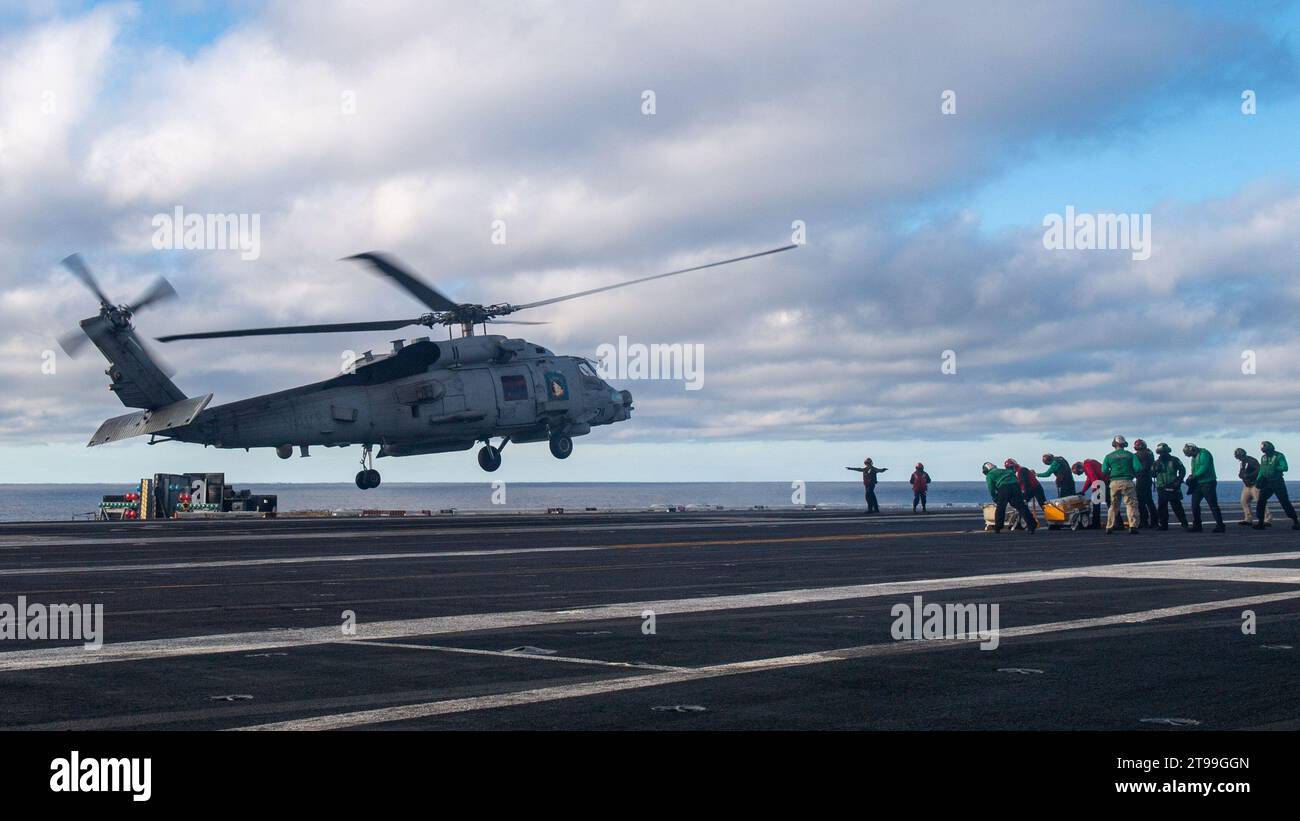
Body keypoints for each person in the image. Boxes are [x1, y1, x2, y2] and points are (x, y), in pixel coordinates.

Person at [1254, 441, 1300, 530]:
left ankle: (1296, 521)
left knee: (1284, 502)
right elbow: (1261, 470)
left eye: (1266, 451)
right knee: (1261, 501)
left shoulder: (1279, 456)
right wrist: (1258, 480)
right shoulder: (1263, 458)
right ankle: (1260, 522)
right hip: (1266, 483)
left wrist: (1274, 468)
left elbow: (1285, 467)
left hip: (1278, 482)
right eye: (1264, 451)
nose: (1266, 453)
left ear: (1271, 449)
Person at [1101, 435, 1141, 535]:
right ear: (1124, 444)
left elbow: (1104, 470)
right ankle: (1132, 526)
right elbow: (1138, 468)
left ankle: (1109, 527)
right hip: (1127, 482)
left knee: (1113, 505)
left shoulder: (1108, 456)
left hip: (1114, 483)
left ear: (1114, 444)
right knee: (1131, 505)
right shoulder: (1131, 455)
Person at [983, 461, 1036, 533]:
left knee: (1000, 507)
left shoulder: (990, 475)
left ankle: (998, 527)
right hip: (1015, 486)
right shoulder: (1006, 470)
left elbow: (991, 488)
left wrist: (995, 497)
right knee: (1021, 506)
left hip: (1004, 487)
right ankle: (1032, 524)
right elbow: (1015, 478)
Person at [1182, 443, 1225, 532]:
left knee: (1212, 504)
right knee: (1194, 504)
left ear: (1192, 450)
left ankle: (1220, 525)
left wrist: (1194, 476)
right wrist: (1192, 476)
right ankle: (1197, 525)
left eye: (1190, 454)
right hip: (1198, 483)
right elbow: (1194, 469)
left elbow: (1204, 467)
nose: (1190, 456)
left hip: (1208, 482)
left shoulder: (1205, 454)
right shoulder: (1194, 457)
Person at [1152, 442, 1189, 530]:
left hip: (1173, 485)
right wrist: (1155, 471)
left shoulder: (1175, 460)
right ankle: (1163, 525)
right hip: (1161, 487)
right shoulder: (1156, 463)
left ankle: (1184, 523)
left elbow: (1182, 470)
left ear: (1167, 451)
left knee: (1177, 506)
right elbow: (1152, 474)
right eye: (1161, 452)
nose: (1163, 454)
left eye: (1164, 452)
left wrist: (1178, 480)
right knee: (1162, 507)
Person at [1234, 447, 1271, 526]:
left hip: (1254, 484)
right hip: (1247, 485)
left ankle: (1268, 519)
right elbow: (1242, 472)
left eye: (1238, 456)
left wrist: (1249, 475)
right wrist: (1241, 475)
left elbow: (1259, 470)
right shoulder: (1242, 462)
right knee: (1244, 501)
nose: (1238, 458)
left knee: (1260, 501)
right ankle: (1248, 519)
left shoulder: (1251, 461)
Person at [1072, 458, 1106, 529]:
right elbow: (1089, 479)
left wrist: (1095, 489)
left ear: (1080, 468)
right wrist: (1083, 491)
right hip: (1101, 482)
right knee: (1099, 504)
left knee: (1097, 504)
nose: (1080, 474)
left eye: (1079, 473)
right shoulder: (1088, 464)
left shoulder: (1088, 465)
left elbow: (1093, 476)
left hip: (1101, 483)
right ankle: (1096, 524)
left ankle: (1096, 525)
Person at [1132, 439, 1157, 528]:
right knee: (1148, 501)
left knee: (1142, 501)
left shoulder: (1139, 455)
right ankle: (1153, 521)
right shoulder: (1149, 453)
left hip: (1142, 479)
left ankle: (1144, 521)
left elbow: (1142, 468)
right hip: (1146, 479)